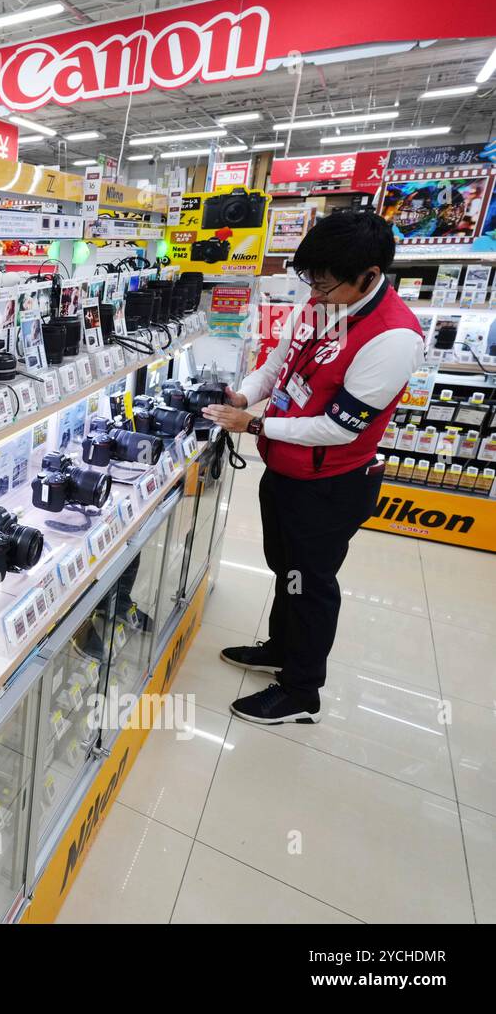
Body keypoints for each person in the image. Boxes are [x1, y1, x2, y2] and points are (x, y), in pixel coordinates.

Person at [203, 209, 423, 725]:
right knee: (287, 571)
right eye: (310, 281)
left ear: (370, 275)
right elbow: (279, 366)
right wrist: (246, 395)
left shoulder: (393, 339)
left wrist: (253, 426)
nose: (314, 293)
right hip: (286, 472)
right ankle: (282, 648)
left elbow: (341, 428)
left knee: (310, 582)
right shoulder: (324, 300)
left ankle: (302, 692)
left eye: (324, 284)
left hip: (329, 486)